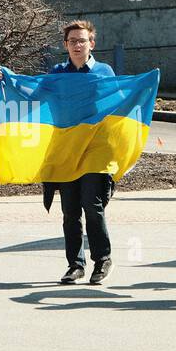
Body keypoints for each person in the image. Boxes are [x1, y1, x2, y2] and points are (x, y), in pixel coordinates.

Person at [48, 20, 117, 285]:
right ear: (65, 45)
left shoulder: (104, 72)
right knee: (70, 211)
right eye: (72, 41)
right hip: (67, 150)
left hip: (96, 150)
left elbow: (118, 102)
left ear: (92, 44)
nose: (77, 45)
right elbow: (36, 92)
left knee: (93, 205)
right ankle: (75, 265)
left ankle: (102, 260)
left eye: (82, 40)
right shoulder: (57, 72)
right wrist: (7, 78)